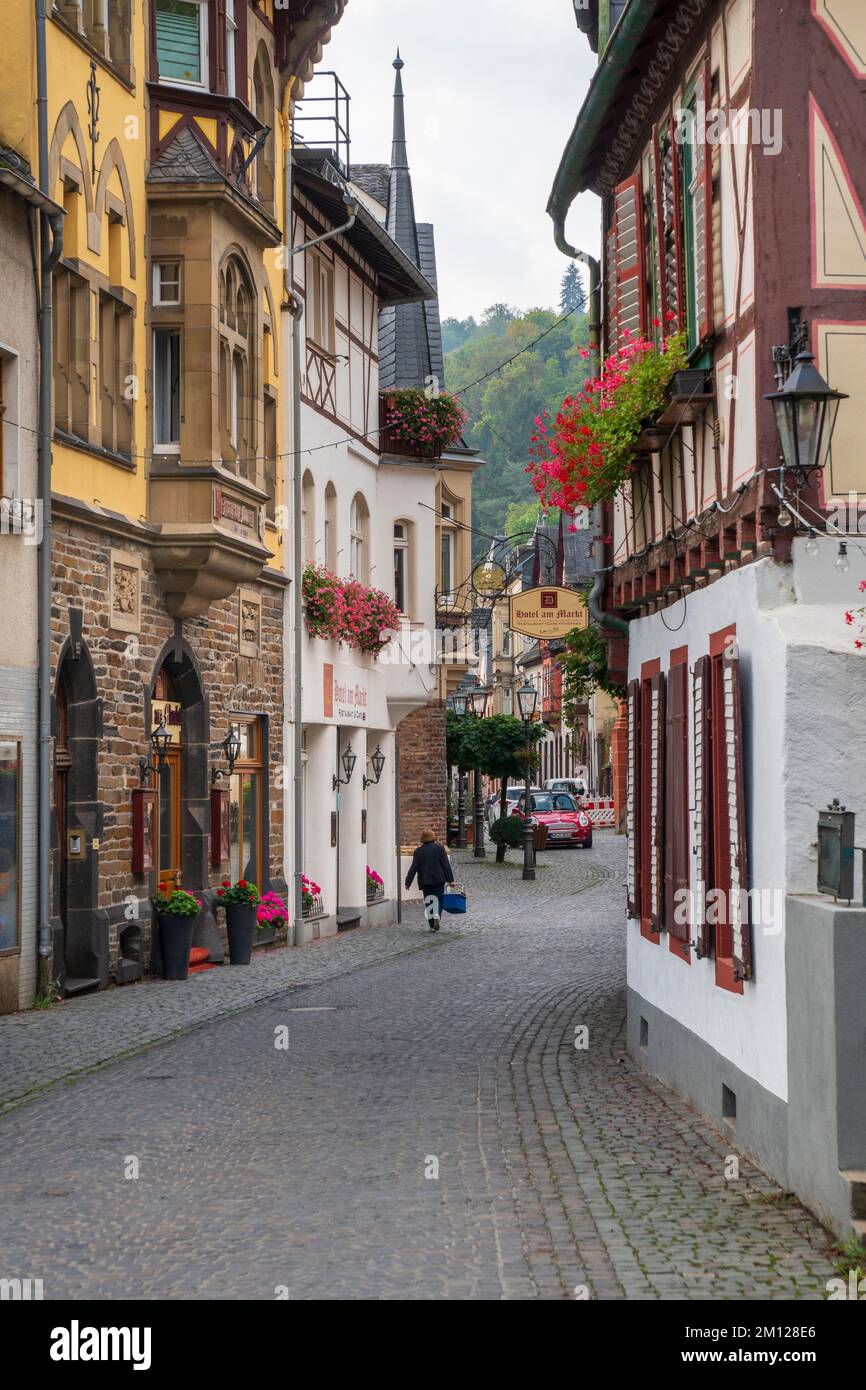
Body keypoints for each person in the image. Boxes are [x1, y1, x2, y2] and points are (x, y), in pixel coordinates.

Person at [405, 829, 454, 932]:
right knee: (439, 899)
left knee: (429, 901)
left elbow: (413, 868)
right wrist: (450, 880)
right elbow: (446, 865)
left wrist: (408, 882)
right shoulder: (440, 849)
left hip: (425, 881)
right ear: (433, 837)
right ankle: (437, 916)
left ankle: (432, 924)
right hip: (438, 879)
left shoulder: (418, 851)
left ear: (422, 839)